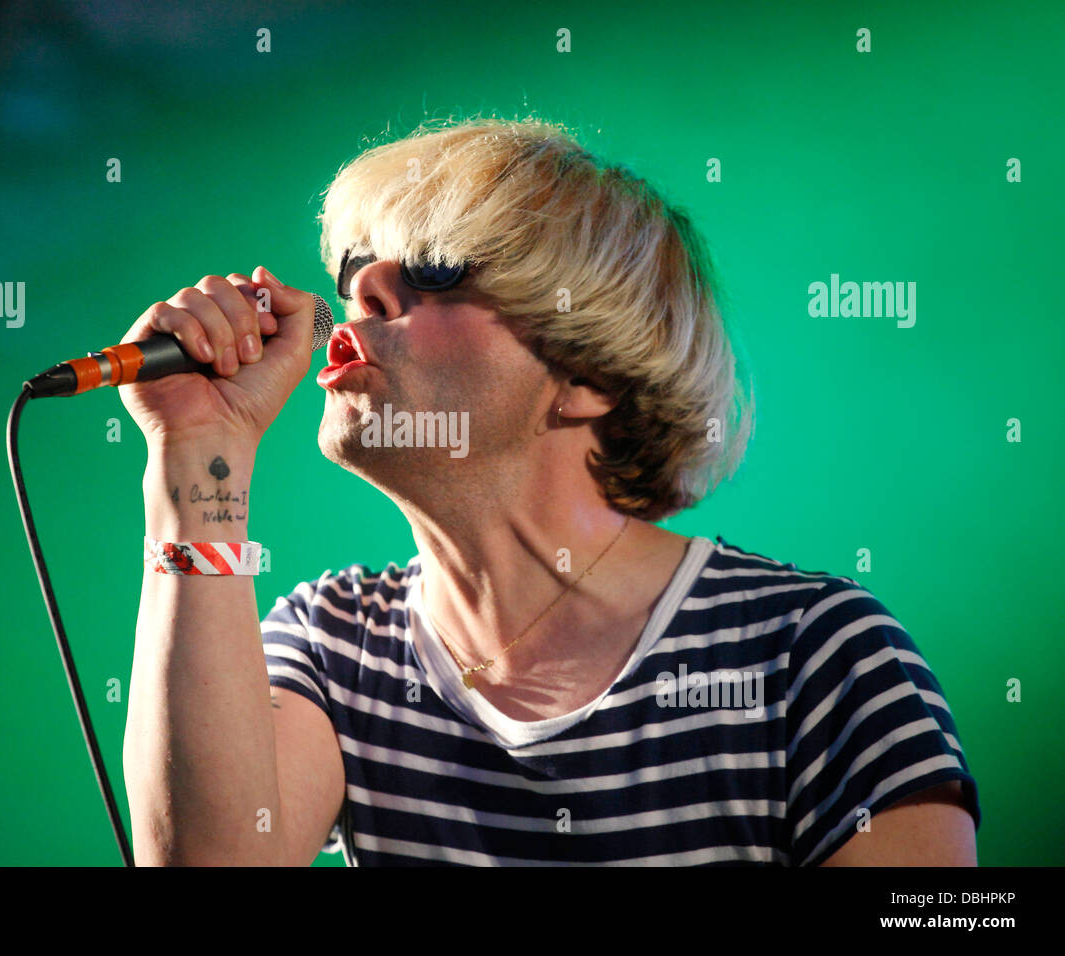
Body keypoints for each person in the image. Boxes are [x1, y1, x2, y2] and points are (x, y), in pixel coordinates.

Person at [119, 117, 980, 866]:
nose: (363, 290)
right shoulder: (336, 647)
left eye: (435, 267)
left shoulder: (814, 655)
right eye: (354, 268)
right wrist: (200, 448)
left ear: (586, 375)